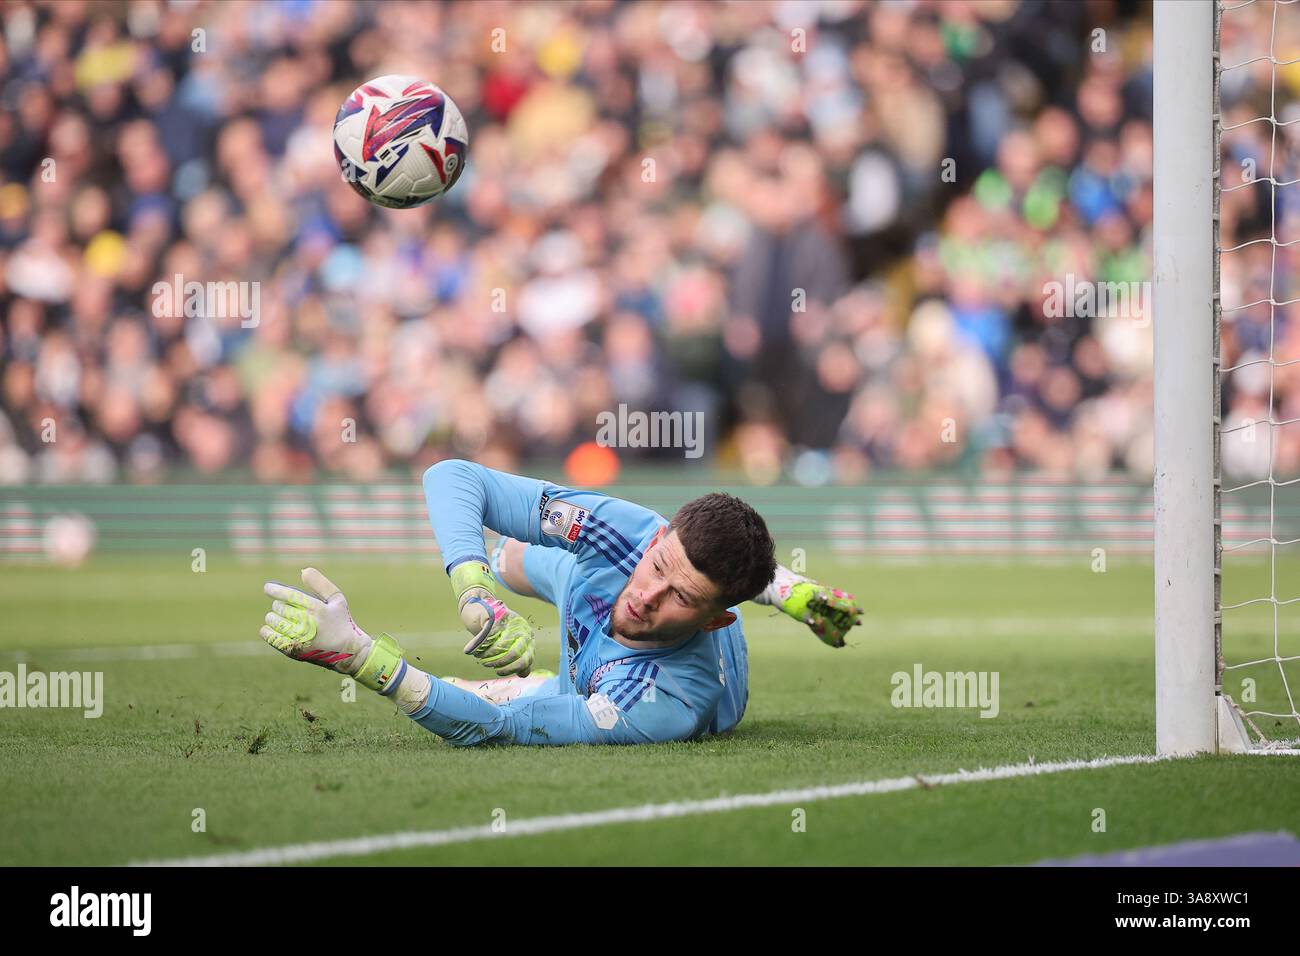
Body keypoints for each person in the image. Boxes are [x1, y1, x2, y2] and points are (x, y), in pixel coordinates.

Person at [258, 459, 862, 746]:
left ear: (716, 618)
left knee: (510, 697)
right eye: (657, 566)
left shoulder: (668, 706)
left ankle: (775, 586)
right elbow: (451, 478)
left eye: (680, 596)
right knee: (510, 558)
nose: (646, 597)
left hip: (609, 681)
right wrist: (475, 595)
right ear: (654, 542)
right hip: (588, 577)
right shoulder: (626, 533)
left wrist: (362, 659)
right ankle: (786, 589)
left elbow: (491, 732)